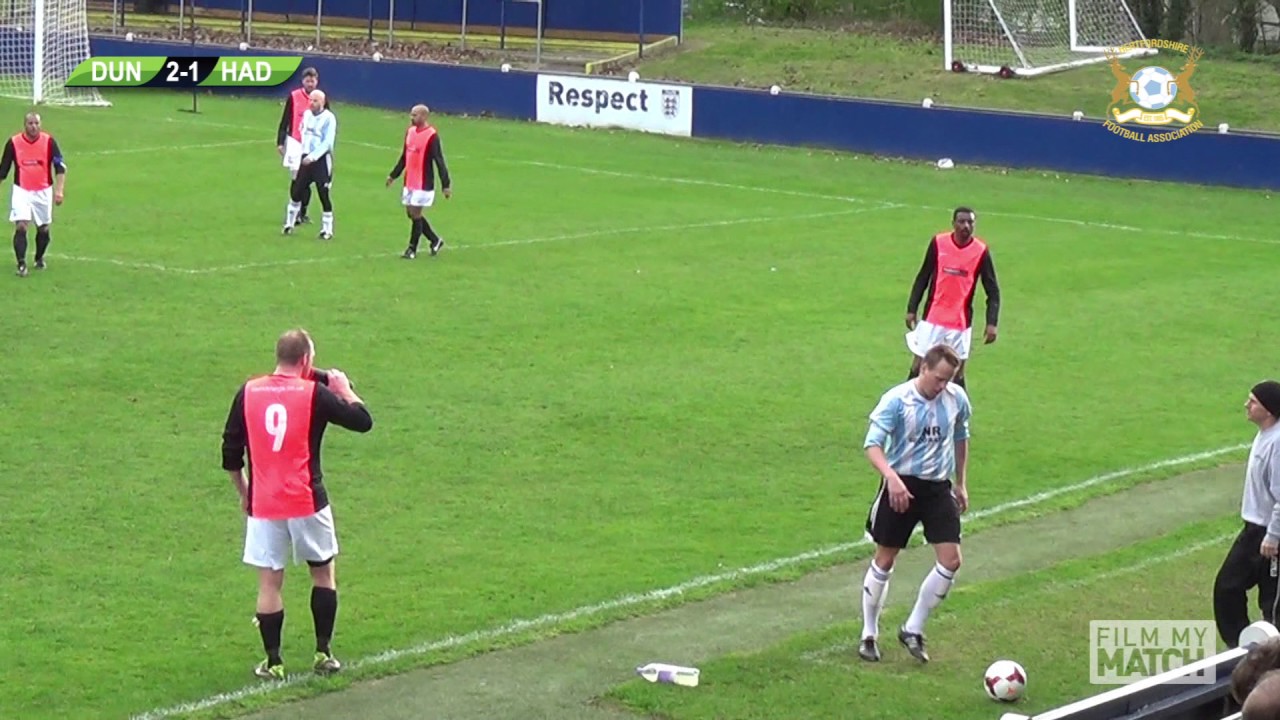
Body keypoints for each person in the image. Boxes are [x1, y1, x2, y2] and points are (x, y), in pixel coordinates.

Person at [220, 328, 373, 680]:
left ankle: (273, 663)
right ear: (305, 360)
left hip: (265, 504)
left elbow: (230, 452)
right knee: (322, 573)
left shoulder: (249, 392)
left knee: (269, 583)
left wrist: (245, 492)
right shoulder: (314, 394)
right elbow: (362, 422)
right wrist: (345, 389)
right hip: (308, 499)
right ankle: (323, 654)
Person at [858, 343, 972, 664]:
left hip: (938, 488)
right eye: (938, 378)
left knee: (951, 560)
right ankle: (869, 633)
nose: (942, 386)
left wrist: (961, 482)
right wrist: (891, 478)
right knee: (885, 558)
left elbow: (962, 436)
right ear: (923, 368)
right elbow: (872, 445)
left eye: (948, 380)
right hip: (901, 486)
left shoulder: (956, 399)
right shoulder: (897, 400)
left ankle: (913, 628)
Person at [904, 207, 1001, 391]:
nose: (965, 226)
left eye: (970, 222)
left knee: (957, 371)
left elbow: (992, 290)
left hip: (960, 323)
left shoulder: (981, 251)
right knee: (919, 365)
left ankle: (959, 417)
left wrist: (992, 323)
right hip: (932, 319)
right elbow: (923, 276)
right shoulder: (938, 243)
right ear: (953, 224)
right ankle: (904, 408)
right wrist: (912, 308)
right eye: (961, 222)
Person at [1214, 380, 1280, 649]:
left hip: (1269, 534)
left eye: (1253, 401)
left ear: (1269, 409)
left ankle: (1269, 660)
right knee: (1227, 588)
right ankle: (1244, 650)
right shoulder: (1266, 434)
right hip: (1254, 529)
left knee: (1272, 603)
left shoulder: (1277, 443)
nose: (1246, 404)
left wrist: (1274, 536)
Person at [0, 112, 66, 277]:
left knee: (43, 228)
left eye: (36, 123)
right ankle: (21, 264)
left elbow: (60, 167)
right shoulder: (14, 143)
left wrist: (59, 190)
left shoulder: (49, 142)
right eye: (30, 123)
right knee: (21, 225)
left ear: (40, 124)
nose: (33, 126)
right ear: (25, 125)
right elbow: (3, 170)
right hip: (21, 190)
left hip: (43, 191)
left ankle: (39, 257)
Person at [386, 104, 451, 260]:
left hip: (424, 182)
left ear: (424, 116)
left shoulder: (431, 136)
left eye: (414, 115)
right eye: (411, 114)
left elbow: (439, 160)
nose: (411, 117)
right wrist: (393, 175)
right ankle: (435, 240)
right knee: (411, 213)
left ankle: (412, 249)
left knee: (416, 213)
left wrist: (446, 184)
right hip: (410, 180)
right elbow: (404, 156)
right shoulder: (410, 132)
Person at [276, 68, 328, 226]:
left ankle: (302, 211)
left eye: (313, 81)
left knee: (308, 179)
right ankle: (296, 211)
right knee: (297, 178)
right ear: (302, 81)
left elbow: (328, 120)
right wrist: (280, 141)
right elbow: (285, 119)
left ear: (317, 81)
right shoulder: (294, 96)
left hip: (313, 145)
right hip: (295, 142)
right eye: (307, 81)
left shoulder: (321, 98)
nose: (310, 84)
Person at [284, 90, 337, 240]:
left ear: (322, 102)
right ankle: (289, 223)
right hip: (305, 158)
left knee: (323, 193)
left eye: (315, 101)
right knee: (296, 191)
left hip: (320, 160)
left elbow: (328, 142)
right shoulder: (307, 115)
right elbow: (303, 133)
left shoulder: (329, 118)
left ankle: (327, 229)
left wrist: (313, 156)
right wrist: (303, 154)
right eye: (310, 100)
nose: (311, 103)